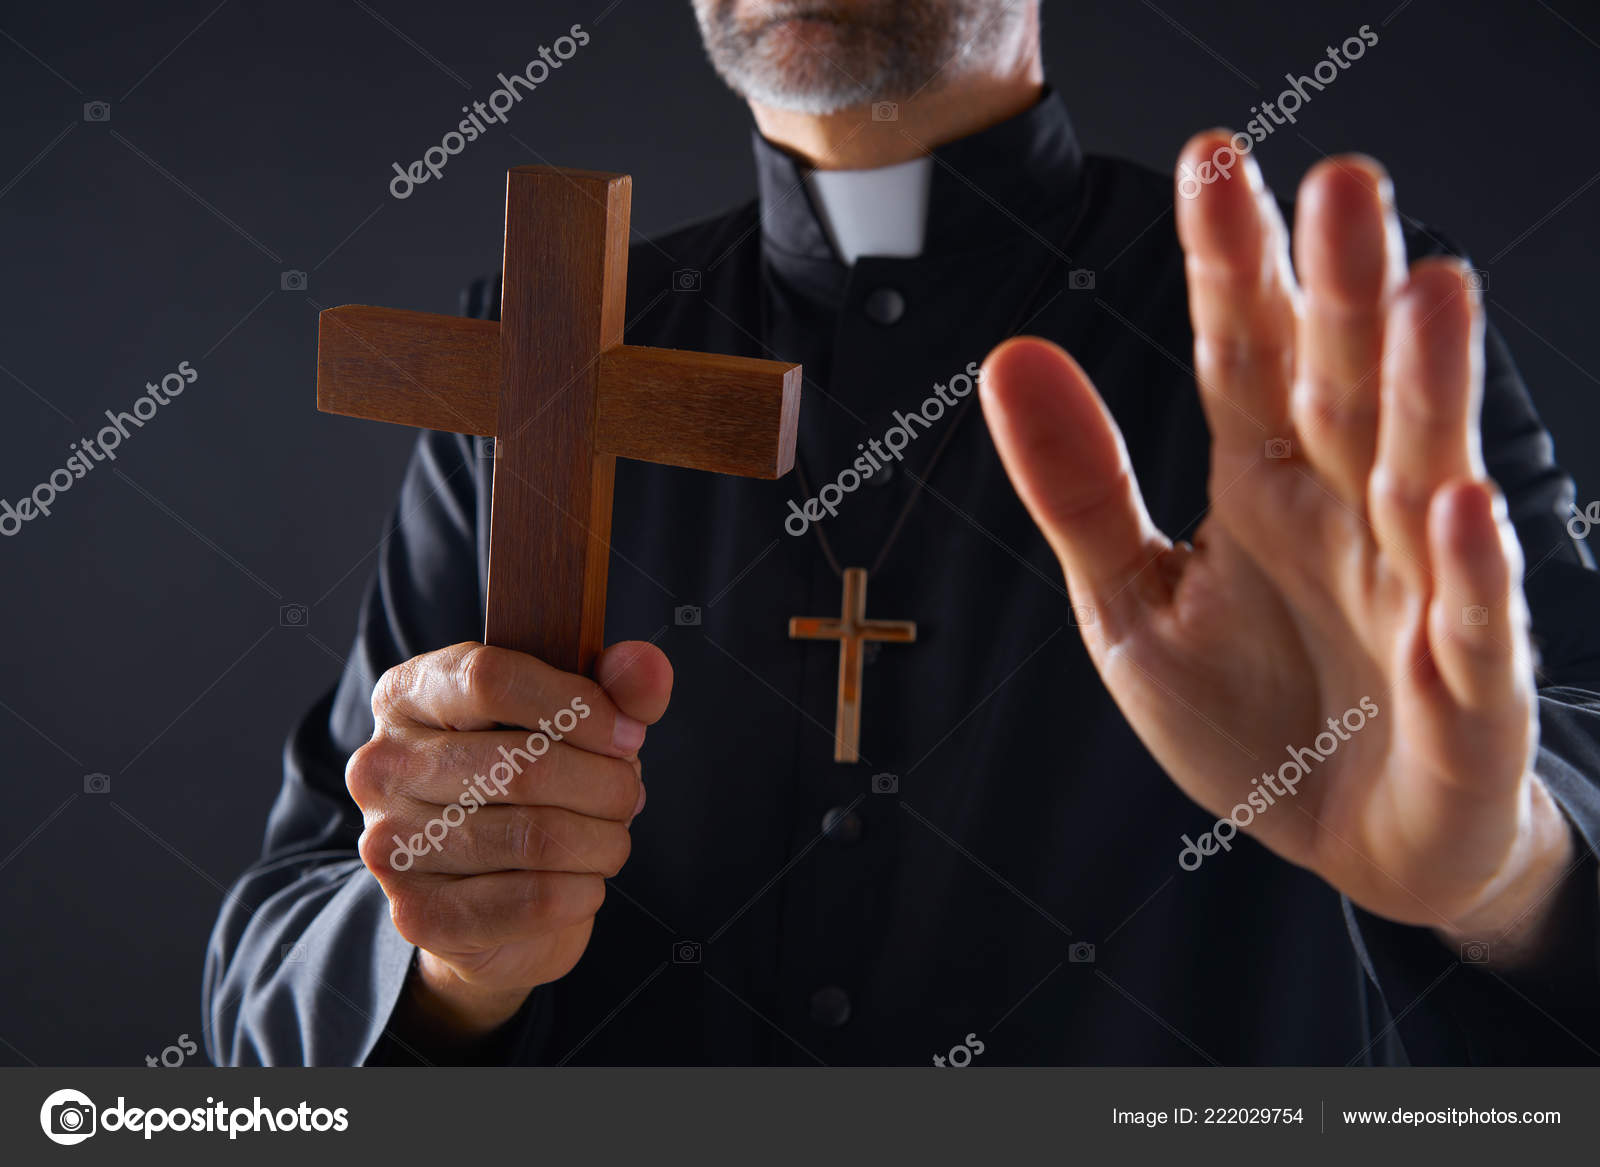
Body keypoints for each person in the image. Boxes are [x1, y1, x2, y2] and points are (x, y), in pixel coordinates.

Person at [205, 0, 1600, 1065]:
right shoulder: (548, 348)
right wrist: (450, 955)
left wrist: (1506, 875)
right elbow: (263, 986)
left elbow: (1561, 749)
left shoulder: (1317, 338)